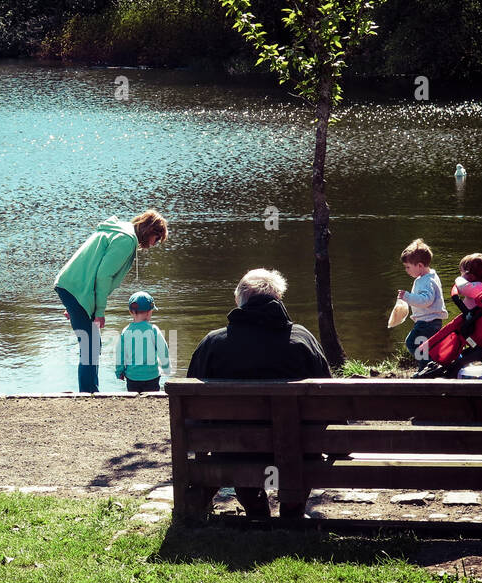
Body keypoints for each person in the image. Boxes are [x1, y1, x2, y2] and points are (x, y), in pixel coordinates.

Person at [186, 268, 331, 519]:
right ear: (278, 299)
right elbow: (329, 401)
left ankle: (256, 511)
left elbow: (191, 406)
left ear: (239, 300)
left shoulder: (213, 343)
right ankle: (291, 512)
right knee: (298, 445)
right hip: (298, 449)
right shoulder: (302, 340)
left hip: (232, 449)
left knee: (237, 444)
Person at [54, 210, 168, 392]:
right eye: (157, 238)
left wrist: (80, 303)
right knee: (90, 345)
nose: (154, 244)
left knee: (92, 344)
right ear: (149, 230)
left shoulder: (120, 230)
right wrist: (99, 312)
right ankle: (89, 393)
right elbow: (103, 275)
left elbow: (92, 267)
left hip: (76, 288)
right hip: (76, 289)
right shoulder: (126, 240)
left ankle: (90, 391)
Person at [396, 238, 448, 361]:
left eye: (408, 267)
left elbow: (426, 300)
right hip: (430, 321)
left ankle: (426, 365)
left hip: (427, 322)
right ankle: (434, 362)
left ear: (420, 265)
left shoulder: (427, 281)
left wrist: (407, 297)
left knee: (412, 343)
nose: (406, 270)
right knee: (428, 346)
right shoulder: (429, 276)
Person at [114, 291, 170, 393]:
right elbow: (163, 349)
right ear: (149, 312)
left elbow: (120, 354)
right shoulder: (153, 330)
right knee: (152, 398)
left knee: (134, 398)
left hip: (132, 377)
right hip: (152, 376)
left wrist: (119, 371)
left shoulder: (125, 332)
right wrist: (166, 367)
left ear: (131, 312)